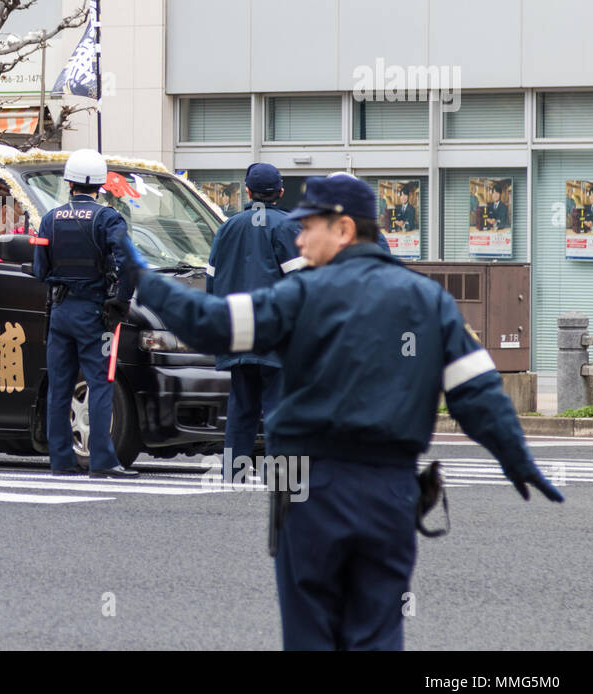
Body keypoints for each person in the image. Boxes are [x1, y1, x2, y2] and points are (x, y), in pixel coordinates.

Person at [121, 173, 562, 649]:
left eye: (310, 226)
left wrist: (147, 281)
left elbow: (212, 325)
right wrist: (516, 459)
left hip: (303, 481)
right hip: (389, 488)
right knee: (377, 632)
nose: (301, 236)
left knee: (310, 631)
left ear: (345, 230)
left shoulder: (300, 296)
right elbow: (477, 393)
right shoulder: (429, 300)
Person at [32, 149, 138, 479]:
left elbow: (39, 270)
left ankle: (61, 460)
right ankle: (102, 460)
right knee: (100, 383)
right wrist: (120, 300)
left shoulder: (50, 218)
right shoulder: (109, 219)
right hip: (96, 313)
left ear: (69, 183)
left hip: (61, 311)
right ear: (101, 185)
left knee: (59, 386)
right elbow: (129, 264)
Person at [205, 163, 302, 483]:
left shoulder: (227, 227)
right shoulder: (288, 227)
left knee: (242, 404)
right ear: (281, 192)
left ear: (246, 192)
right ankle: (281, 475)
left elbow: (211, 282)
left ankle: (233, 473)